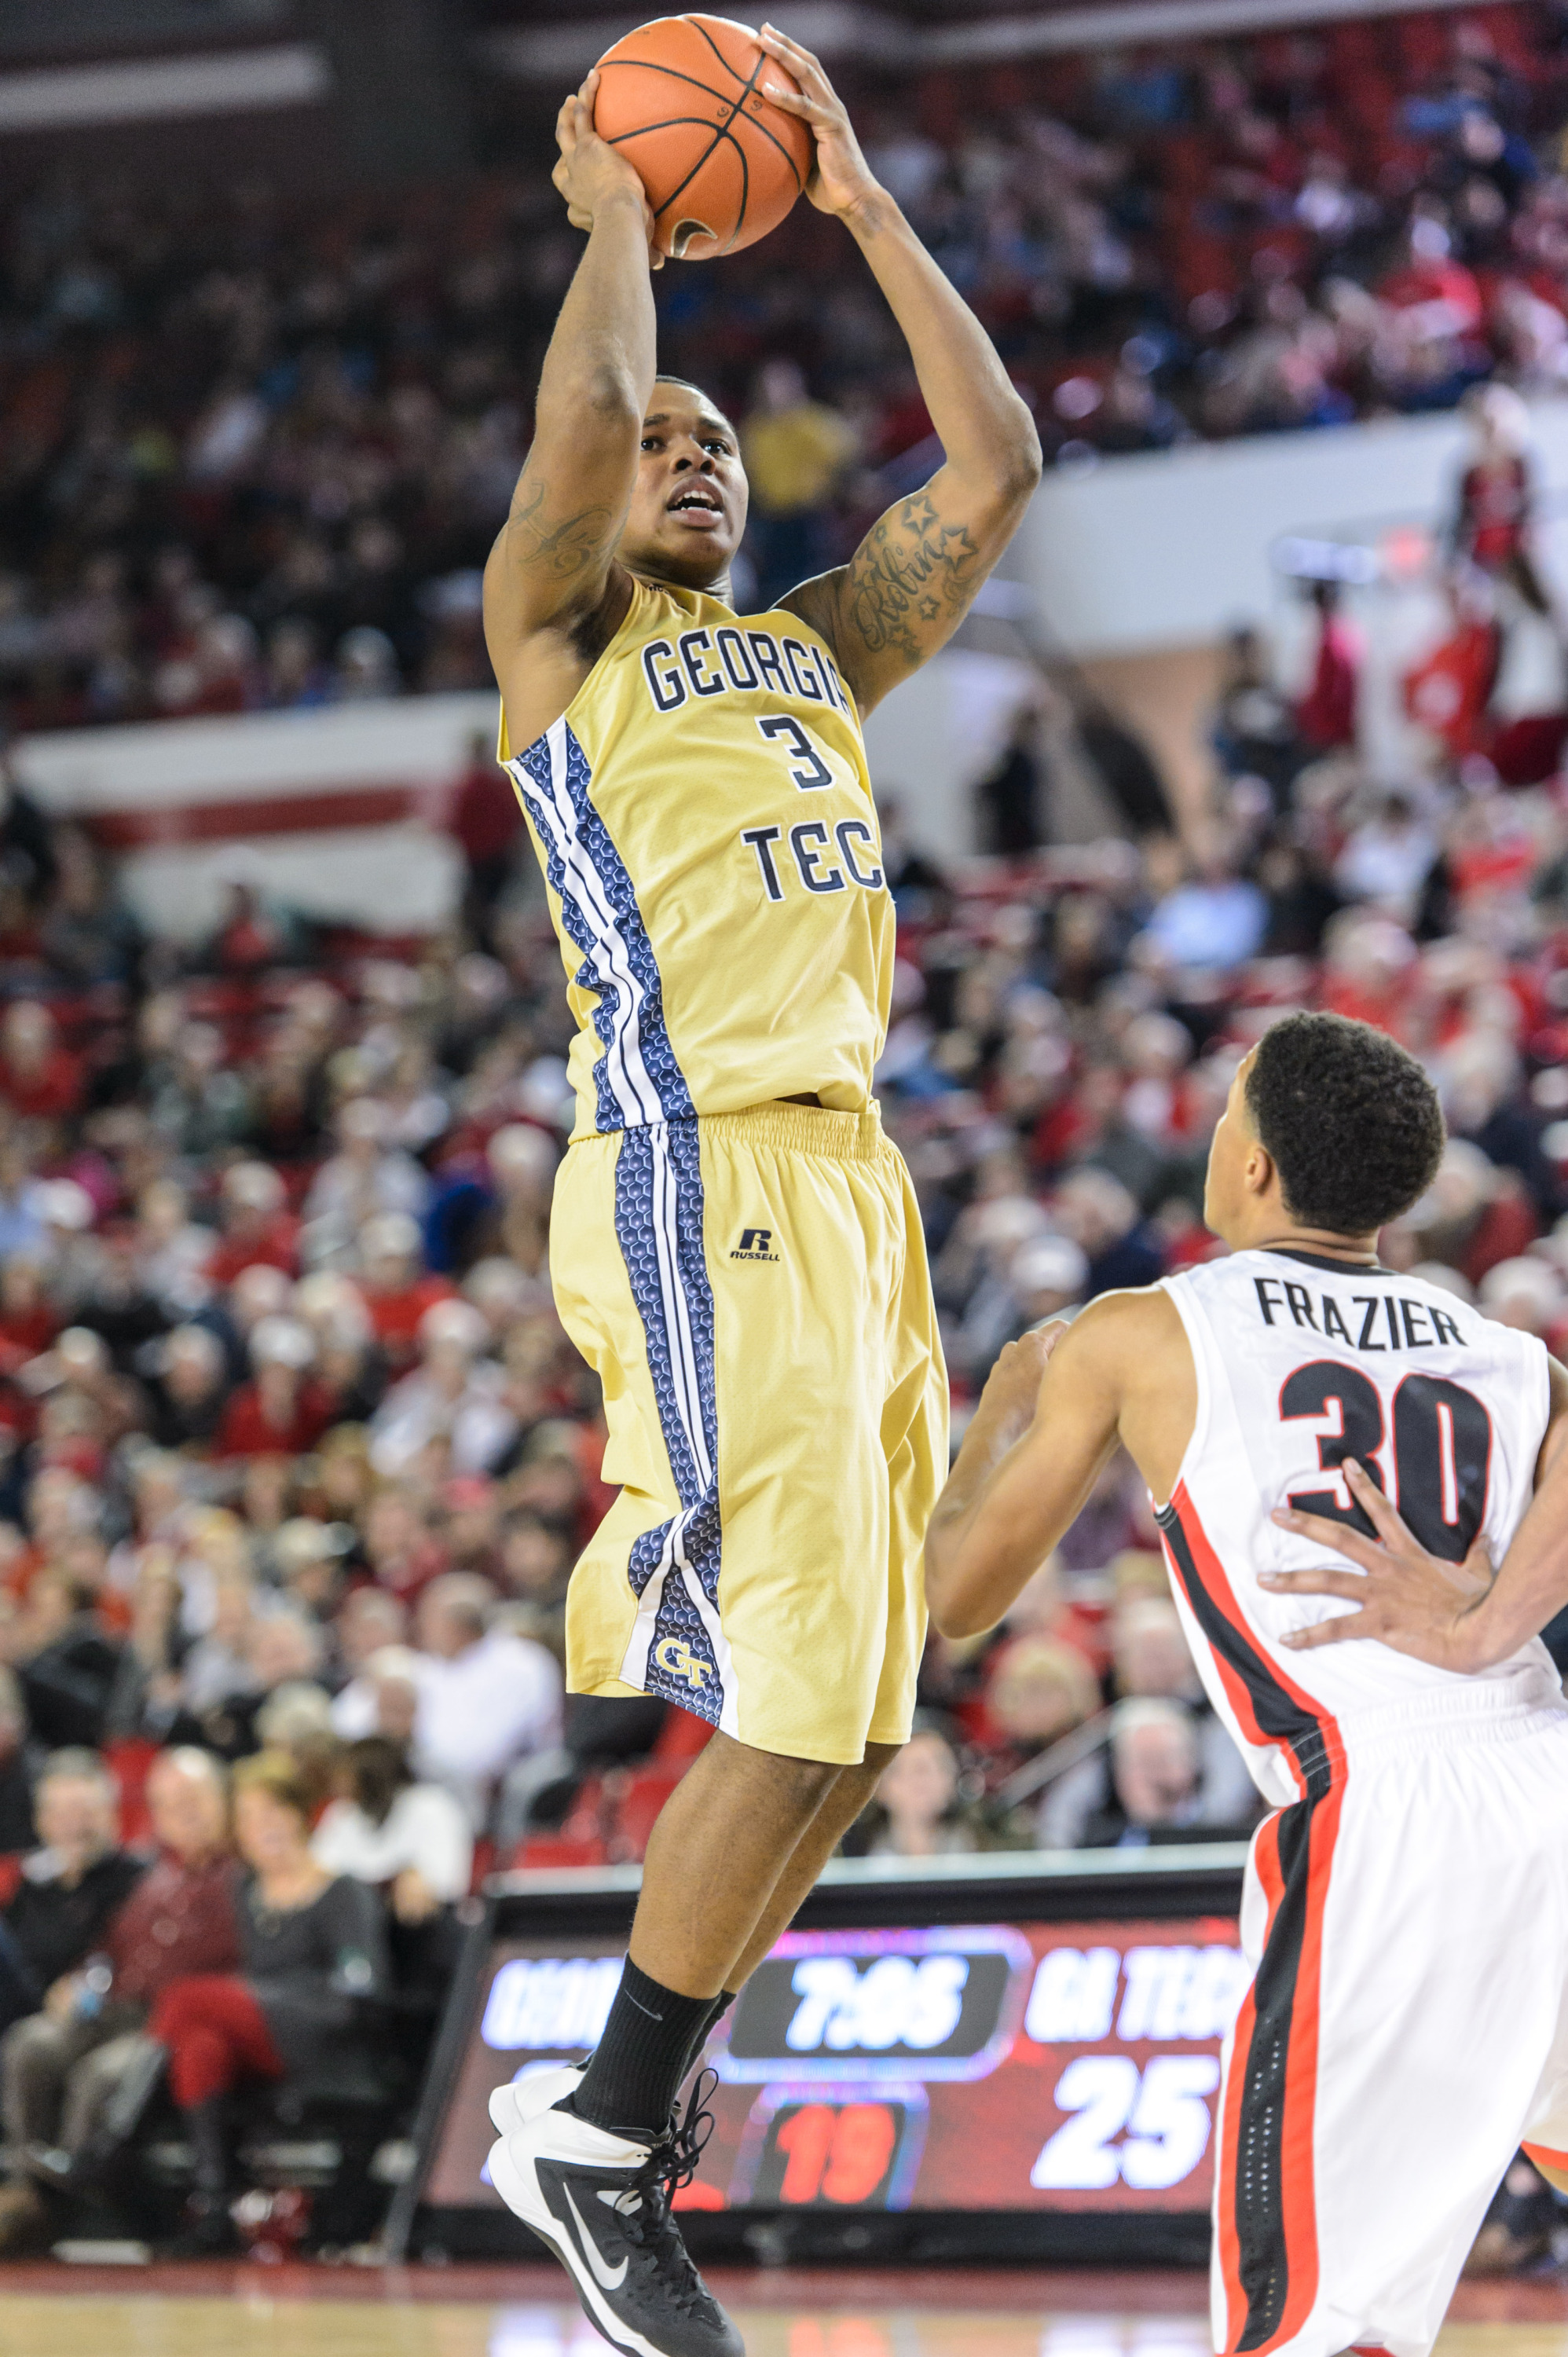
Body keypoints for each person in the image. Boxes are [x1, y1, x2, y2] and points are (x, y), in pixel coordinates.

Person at [479, 27, 1039, 2356]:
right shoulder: (555, 641)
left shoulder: (810, 648)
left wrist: (861, 202)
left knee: (867, 1702)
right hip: (694, 1164)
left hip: (845, 1180)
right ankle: (598, 2132)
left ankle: (636, 2094)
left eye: (722, 440)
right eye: (665, 442)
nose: (690, 452)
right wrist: (622, 202)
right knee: (799, 1698)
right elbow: (593, 408)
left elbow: (994, 466)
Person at [925, 1009, 1568, 2357]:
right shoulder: (1496, 1347)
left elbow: (956, 1601)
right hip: (1545, 1769)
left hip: (1390, 1817)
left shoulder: (1141, 1331)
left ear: (1256, 1165)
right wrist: (1494, 1621)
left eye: (1226, 1114)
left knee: (1312, 2325)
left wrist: (1006, 1408)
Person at [138, 1750, 389, 2253]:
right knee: (199, 2045)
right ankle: (217, 2207)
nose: (264, 1827)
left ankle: (117, 2131)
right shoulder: (245, 1894)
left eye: (274, 1811)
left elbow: (361, 1987)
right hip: (260, 2044)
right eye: (250, 1818)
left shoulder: (343, 1891)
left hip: (327, 2037)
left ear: (300, 1815)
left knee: (185, 1999)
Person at [0, 1747, 237, 2252]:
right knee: (29, 2044)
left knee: (99, 2074)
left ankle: (54, 2201)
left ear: (224, 1802)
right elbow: (108, 1949)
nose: (182, 1813)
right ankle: (29, 2181)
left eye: (193, 1799)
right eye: (168, 1803)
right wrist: (80, 1981)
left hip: (173, 2022)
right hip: (115, 2007)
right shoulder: (156, 1877)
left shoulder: (239, 1877)